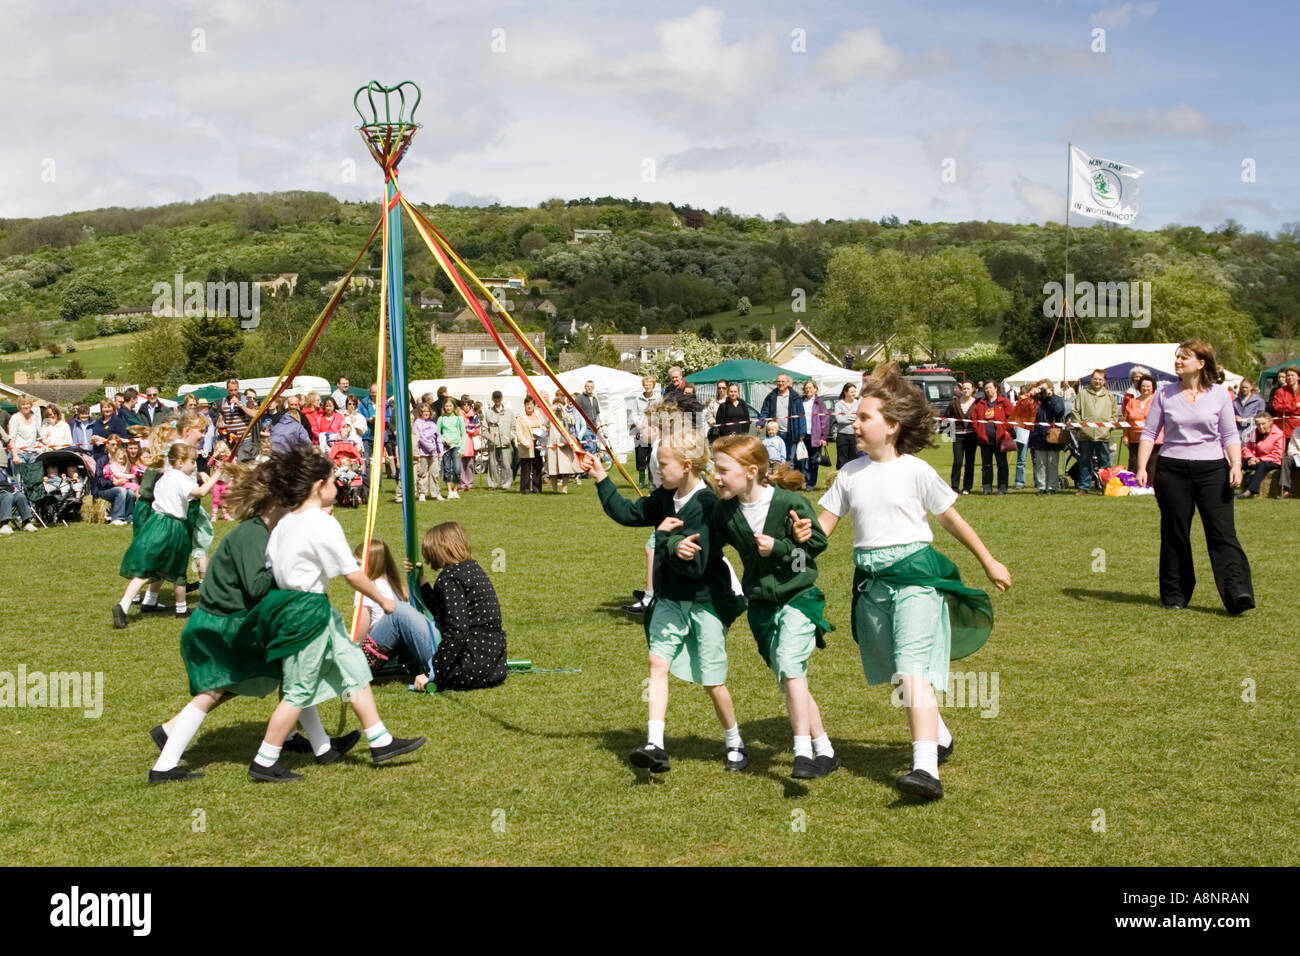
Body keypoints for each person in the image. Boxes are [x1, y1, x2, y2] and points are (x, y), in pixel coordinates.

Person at [802, 364, 1008, 800]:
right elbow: (822, 530)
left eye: (863, 418)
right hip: (871, 586)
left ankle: (925, 770)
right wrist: (795, 542)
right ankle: (941, 737)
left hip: (916, 579)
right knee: (900, 675)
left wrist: (988, 560)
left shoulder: (916, 471)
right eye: (855, 417)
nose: (854, 424)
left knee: (913, 672)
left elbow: (950, 517)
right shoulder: (848, 475)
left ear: (891, 427)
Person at [145, 461, 357, 783]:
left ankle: (321, 747)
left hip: (235, 623)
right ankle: (164, 765)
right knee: (214, 692)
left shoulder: (267, 531)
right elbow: (258, 586)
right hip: (219, 628)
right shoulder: (252, 535)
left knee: (293, 673)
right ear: (276, 501)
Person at [236, 445, 425, 782]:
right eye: (334, 481)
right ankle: (265, 760)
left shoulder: (285, 524)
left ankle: (380, 740)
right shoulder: (320, 525)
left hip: (302, 609)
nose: (338, 487)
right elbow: (353, 575)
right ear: (317, 487)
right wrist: (384, 602)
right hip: (305, 612)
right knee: (298, 691)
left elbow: (274, 566)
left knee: (354, 667)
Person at [579, 434, 748, 773]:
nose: (657, 468)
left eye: (664, 463)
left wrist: (664, 539)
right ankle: (655, 743)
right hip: (670, 598)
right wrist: (600, 476)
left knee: (712, 680)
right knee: (657, 663)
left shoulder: (707, 505)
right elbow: (628, 513)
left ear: (687, 466)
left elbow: (695, 567)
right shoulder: (665, 496)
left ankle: (734, 740)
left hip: (705, 602)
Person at [684, 433, 838, 780]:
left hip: (799, 598)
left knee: (789, 665)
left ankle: (802, 753)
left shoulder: (787, 504)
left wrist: (783, 548)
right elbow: (705, 549)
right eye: (713, 470)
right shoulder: (724, 511)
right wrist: (676, 545)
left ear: (751, 471)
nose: (716, 477)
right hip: (761, 608)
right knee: (790, 678)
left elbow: (812, 551)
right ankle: (825, 748)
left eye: (723, 470)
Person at [1136, 340, 1253, 614]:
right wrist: (1142, 467)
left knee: (1222, 532)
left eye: (1184, 357)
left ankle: (1237, 593)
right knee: (1175, 533)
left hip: (1212, 470)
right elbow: (1150, 434)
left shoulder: (1221, 394)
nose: (1178, 361)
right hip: (1172, 470)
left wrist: (1235, 463)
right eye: (1177, 357)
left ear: (1201, 363)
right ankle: (1175, 594)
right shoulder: (1164, 394)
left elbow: (1229, 433)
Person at [114, 443, 219, 627]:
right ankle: (181, 609)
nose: (195, 466)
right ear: (179, 462)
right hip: (174, 526)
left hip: (155, 522)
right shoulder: (181, 479)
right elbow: (201, 492)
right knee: (178, 567)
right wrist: (218, 474)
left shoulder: (164, 477)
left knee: (146, 568)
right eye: (192, 462)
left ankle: (124, 604)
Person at [408, 521, 508, 691]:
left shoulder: (450, 578)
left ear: (441, 549)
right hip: (493, 666)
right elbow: (443, 612)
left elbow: (457, 630)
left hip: (467, 667)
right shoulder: (473, 570)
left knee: (399, 614)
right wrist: (422, 581)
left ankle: (363, 663)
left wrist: (434, 672)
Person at [354, 538, 443, 690]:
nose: (354, 569)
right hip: (399, 650)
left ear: (371, 564)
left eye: (358, 564)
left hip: (377, 653)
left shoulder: (368, 590)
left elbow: (359, 634)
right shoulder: (398, 586)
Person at [1075, 369, 1118, 495]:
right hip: (1085, 435)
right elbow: (1075, 412)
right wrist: (1081, 427)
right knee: (1084, 461)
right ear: (1091, 379)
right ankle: (1083, 487)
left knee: (1104, 462)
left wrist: (1108, 428)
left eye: (1100, 379)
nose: (1097, 381)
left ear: (1104, 381)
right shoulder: (1082, 394)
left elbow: (1115, 414)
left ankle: (1105, 487)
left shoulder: (1109, 396)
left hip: (1103, 435)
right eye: (1095, 379)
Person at [971, 381, 1013, 495]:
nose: (988, 390)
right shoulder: (981, 403)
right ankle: (987, 488)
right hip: (985, 439)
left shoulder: (1004, 402)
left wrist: (1005, 429)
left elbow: (1012, 417)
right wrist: (978, 431)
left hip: (1000, 439)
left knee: (1002, 464)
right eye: (986, 388)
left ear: (995, 388)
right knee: (986, 465)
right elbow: (974, 419)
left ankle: (1002, 488)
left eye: (990, 387)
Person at [793, 379, 831, 490]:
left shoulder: (820, 403)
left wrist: (823, 437)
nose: (808, 390)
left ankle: (810, 484)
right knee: (801, 461)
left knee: (814, 461)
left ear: (815, 389)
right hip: (802, 436)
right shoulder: (800, 401)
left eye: (810, 388)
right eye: (806, 388)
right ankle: (800, 482)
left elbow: (825, 420)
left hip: (816, 436)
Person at [1028, 380, 1065, 494]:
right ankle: (1042, 486)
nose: (1042, 390)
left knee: (1052, 462)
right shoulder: (1035, 400)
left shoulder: (1057, 399)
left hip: (1052, 434)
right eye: (1040, 388)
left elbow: (1059, 411)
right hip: (1038, 434)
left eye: (1043, 388)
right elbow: (1025, 409)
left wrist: (1050, 396)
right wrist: (1031, 395)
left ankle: (1052, 487)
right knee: (1040, 463)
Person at [758, 373, 802, 463]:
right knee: (775, 460)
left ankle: (787, 477)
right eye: (778, 381)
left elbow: (801, 416)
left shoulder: (795, 397)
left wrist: (802, 432)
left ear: (787, 382)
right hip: (775, 433)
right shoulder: (771, 396)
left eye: (783, 381)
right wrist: (760, 423)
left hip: (791, 434)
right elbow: (765, 411)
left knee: (790, 461)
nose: (780, 383)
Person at [944, 381, 977, 494]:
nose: (966, 390)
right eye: (964, 388)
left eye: (968, 388)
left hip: (971, 436)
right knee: (957, 461)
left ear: (972, 390)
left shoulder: (977, 403)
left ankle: (967, 487)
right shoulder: (954, 403)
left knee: (969, 462)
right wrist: (948, 434)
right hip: (957, 436)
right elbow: (947, 417)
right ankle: (954, 487)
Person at [1238, 414, 1283, 499]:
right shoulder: (1252, 433)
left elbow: (1277, 454)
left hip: (1272, 460)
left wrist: (1259, 459)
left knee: (1262, 465)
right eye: (1258, 424)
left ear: (1270, 422)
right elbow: (1246, 448)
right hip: (1254, 459)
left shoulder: (1279, 434)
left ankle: (1250, 490)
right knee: (1238, 461)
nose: (1261, 427)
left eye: (1263, 424)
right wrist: (1250, 457)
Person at [1123, 375, 1158, 472]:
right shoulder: (1132, 402)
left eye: (1148, 386)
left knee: (1151, 467)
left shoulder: (1157, 401)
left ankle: (1151, 487)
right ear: (1139, 387)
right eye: (1143, 386)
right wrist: (1125, 436)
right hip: (1134, 440)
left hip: (1152, 440)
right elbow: (1126, 421)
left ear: (1153, 388)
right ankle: (1134, 486)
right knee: (1134, 465)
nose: (1145, 389)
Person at [629, 376, 659, 488]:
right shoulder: (638, 398)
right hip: (639, 430)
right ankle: (641, 480)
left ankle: (651, 481)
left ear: (653, 386)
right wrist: (638, 424)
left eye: (650, 385)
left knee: (652, 454)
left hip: (652, 430)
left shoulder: (658, 398)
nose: (648, 387)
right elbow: (634, 413)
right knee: (640, 455)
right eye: (646, 384)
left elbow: (660, 412)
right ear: (643, 385)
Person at [513, 396, 547, 494]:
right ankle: (525, 488)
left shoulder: (539, 415)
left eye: (531, 404)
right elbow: (518, 432)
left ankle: (537, 488)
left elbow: (544, 425)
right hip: (526, 444)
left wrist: (543, 430)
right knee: (526, 467)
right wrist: (524, 442)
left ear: (534, 405)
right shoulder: (520, 417)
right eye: (527, 404)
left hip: (538, 443)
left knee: (537, 466)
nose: (529, 406)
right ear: (524, 405)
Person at [546, 398, 580, 493]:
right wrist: (550, 411)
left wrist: (563, 411)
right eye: (556, 404)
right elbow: (545, 424)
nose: (557, 407)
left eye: (559, 404)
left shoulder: (566, 415)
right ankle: (554, 489)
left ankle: (564, 489)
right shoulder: (550, 416)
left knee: (565, 467)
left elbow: (572, 422)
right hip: (552, 444)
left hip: (564, 444)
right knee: (553, 467)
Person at [412, 402, 445, 502]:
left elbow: (438, 437)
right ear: (420, 412)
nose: (426, 413)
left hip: (434, 453)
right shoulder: (417, 423)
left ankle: (435, 492)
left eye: (427, 411)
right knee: (422, 473)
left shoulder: (433, 424)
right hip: (423, 452)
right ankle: (422, 492)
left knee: (435, 472)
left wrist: (440, 450)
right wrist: (430, 447)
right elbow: (419, 438)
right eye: (424, 411)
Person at [482, 391, 513, 490]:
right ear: (492, 399)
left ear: (502, 398)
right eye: (495, 398)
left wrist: (511, 436)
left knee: (506, 464)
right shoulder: (488, 413)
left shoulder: (509, 412)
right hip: (493, 443)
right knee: (492, 465)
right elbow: (484, 428)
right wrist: (490, 437)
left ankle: (506, 484)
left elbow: (513, 427)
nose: (497, 400)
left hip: (505, 442)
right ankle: (492, 484)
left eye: (499, 397)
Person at [1010, 386, 1038, 490]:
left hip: (1034, 432)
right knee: (1021, 459)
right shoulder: (1022, 400)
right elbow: (1022, 400)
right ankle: (1019, 481)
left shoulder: (1037, 401)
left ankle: (1037, 481)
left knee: (1036, 458)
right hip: (1023, 430)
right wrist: (1029, 394)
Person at [0, 462, 38, 534]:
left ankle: (26, 523)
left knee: (20, 496)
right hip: (4, 495)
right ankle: (4, 524)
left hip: (7, 493)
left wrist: (15, 488)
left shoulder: (2, 471)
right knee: (7, 495)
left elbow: (12, 482)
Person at [1268, 365, 1300, 444]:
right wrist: (1295, 406)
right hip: (1285, 428)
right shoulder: (1280, 391)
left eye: (1292, 375)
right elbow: (1277, 407)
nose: (1289, 377)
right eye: (1288, 375)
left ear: (1298, 377)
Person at [1232, 379, 1266, 449]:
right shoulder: (1235, 401)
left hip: (1252, 430)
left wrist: (1245, 420)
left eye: (1246, 387)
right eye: (1242, 387)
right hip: (1238, 431)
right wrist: (1236, 418)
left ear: (1251, 387)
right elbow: (1231, 414)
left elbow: (1261, 417)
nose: (1244, 389)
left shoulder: (1259, 401)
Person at [833, 384, 859, 468]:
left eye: (854, 391)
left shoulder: (859, 404)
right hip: (842, 436)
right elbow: (839, 419)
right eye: (851, 392)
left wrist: (846, 416)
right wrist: (853, 417)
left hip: (855, 436)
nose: (854, 394)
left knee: (854, 460)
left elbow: (860, 417)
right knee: (842, 460)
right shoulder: (839, 404)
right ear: (845, 392)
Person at [7, 399, 42, 464]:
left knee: (34, 474)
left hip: (33, 454)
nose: (26, 406)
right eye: (23, 404)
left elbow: (40, 437)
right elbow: (11, 439)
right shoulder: (15, 418)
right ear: (19, 406)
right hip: (20, 453)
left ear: (31, 405)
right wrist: (15, 455)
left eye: (27, 403)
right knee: (20, 474)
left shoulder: (34, 417)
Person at [459, 396, 481, 492]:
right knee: (461, 465)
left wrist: (467, 429)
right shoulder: (458, 416)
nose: (466, 406)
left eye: (468, 404)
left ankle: (469, 484)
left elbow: (477, 430)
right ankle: (462, 484)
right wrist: (469, 429)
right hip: (461, 443)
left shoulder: (474, 416)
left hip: (471, 443)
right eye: (464, 404)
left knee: (470, 465)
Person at [1279, 427, 1300, 499]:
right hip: (1298, 457)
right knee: (1286, 460)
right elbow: (1291, 450)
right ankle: (1286, 491)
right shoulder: (1297, 431)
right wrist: (1297, 455)